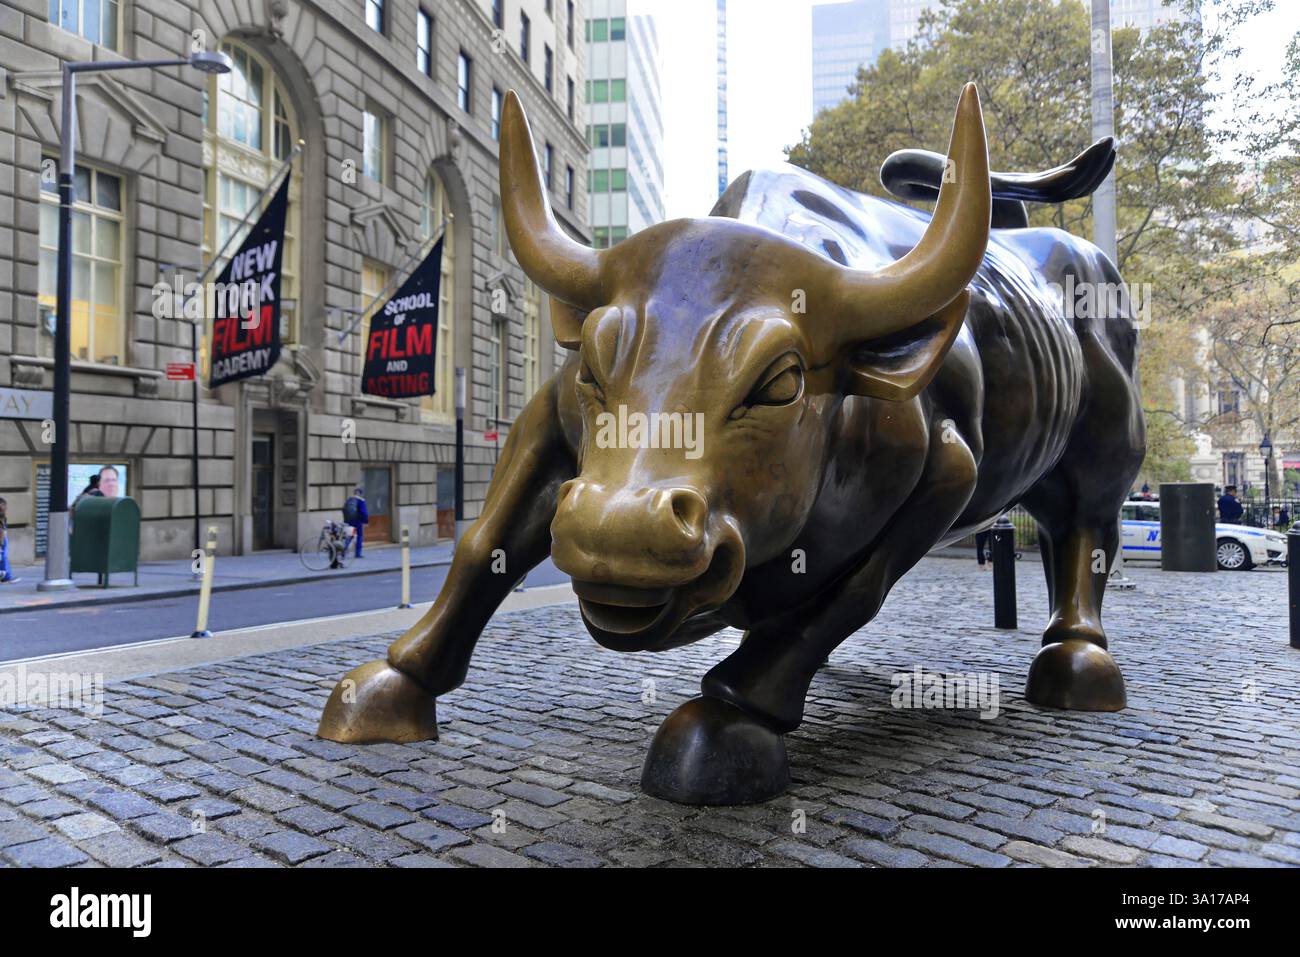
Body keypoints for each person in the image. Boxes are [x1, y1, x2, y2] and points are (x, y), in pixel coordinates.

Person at [343, 486, 369, 557]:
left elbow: (344, 510)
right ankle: (358, 554)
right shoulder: (361, 501)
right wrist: (366, 521)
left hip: (349, 520)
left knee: (350, 535)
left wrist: (346, 520)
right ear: (360, 494)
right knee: (359, 536)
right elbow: (364, 512)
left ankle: (343, 549)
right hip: (358, 521)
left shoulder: (349, 500)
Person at [0, 497, 17, 584]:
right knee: (3, 558)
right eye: (3, 507)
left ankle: (5, 576)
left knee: (3, 558)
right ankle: (6, 577)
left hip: (3, 540)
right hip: (1, 540)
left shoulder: (3, 518)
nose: (5, 508)